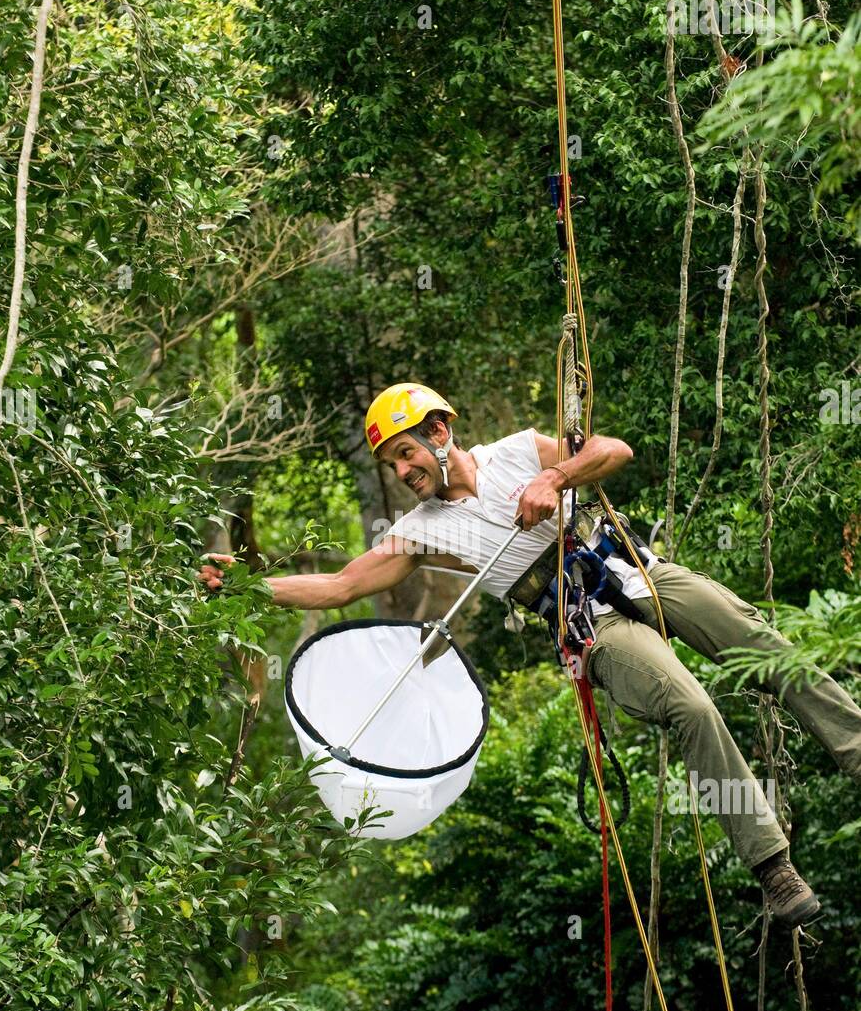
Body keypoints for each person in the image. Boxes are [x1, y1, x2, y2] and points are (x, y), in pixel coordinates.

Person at [200, 382, 861, 928]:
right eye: (393, 467)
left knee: (768, 651)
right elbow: (341, 585)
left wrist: (555, 476)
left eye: (407, 454)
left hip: (637, 569)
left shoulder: (518, 451)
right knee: (689, 705)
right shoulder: (419, 532)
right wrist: (245, 584)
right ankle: (772, 867)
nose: (404, 473)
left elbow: (613, 450)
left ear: (439, 433)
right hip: (588, 623)